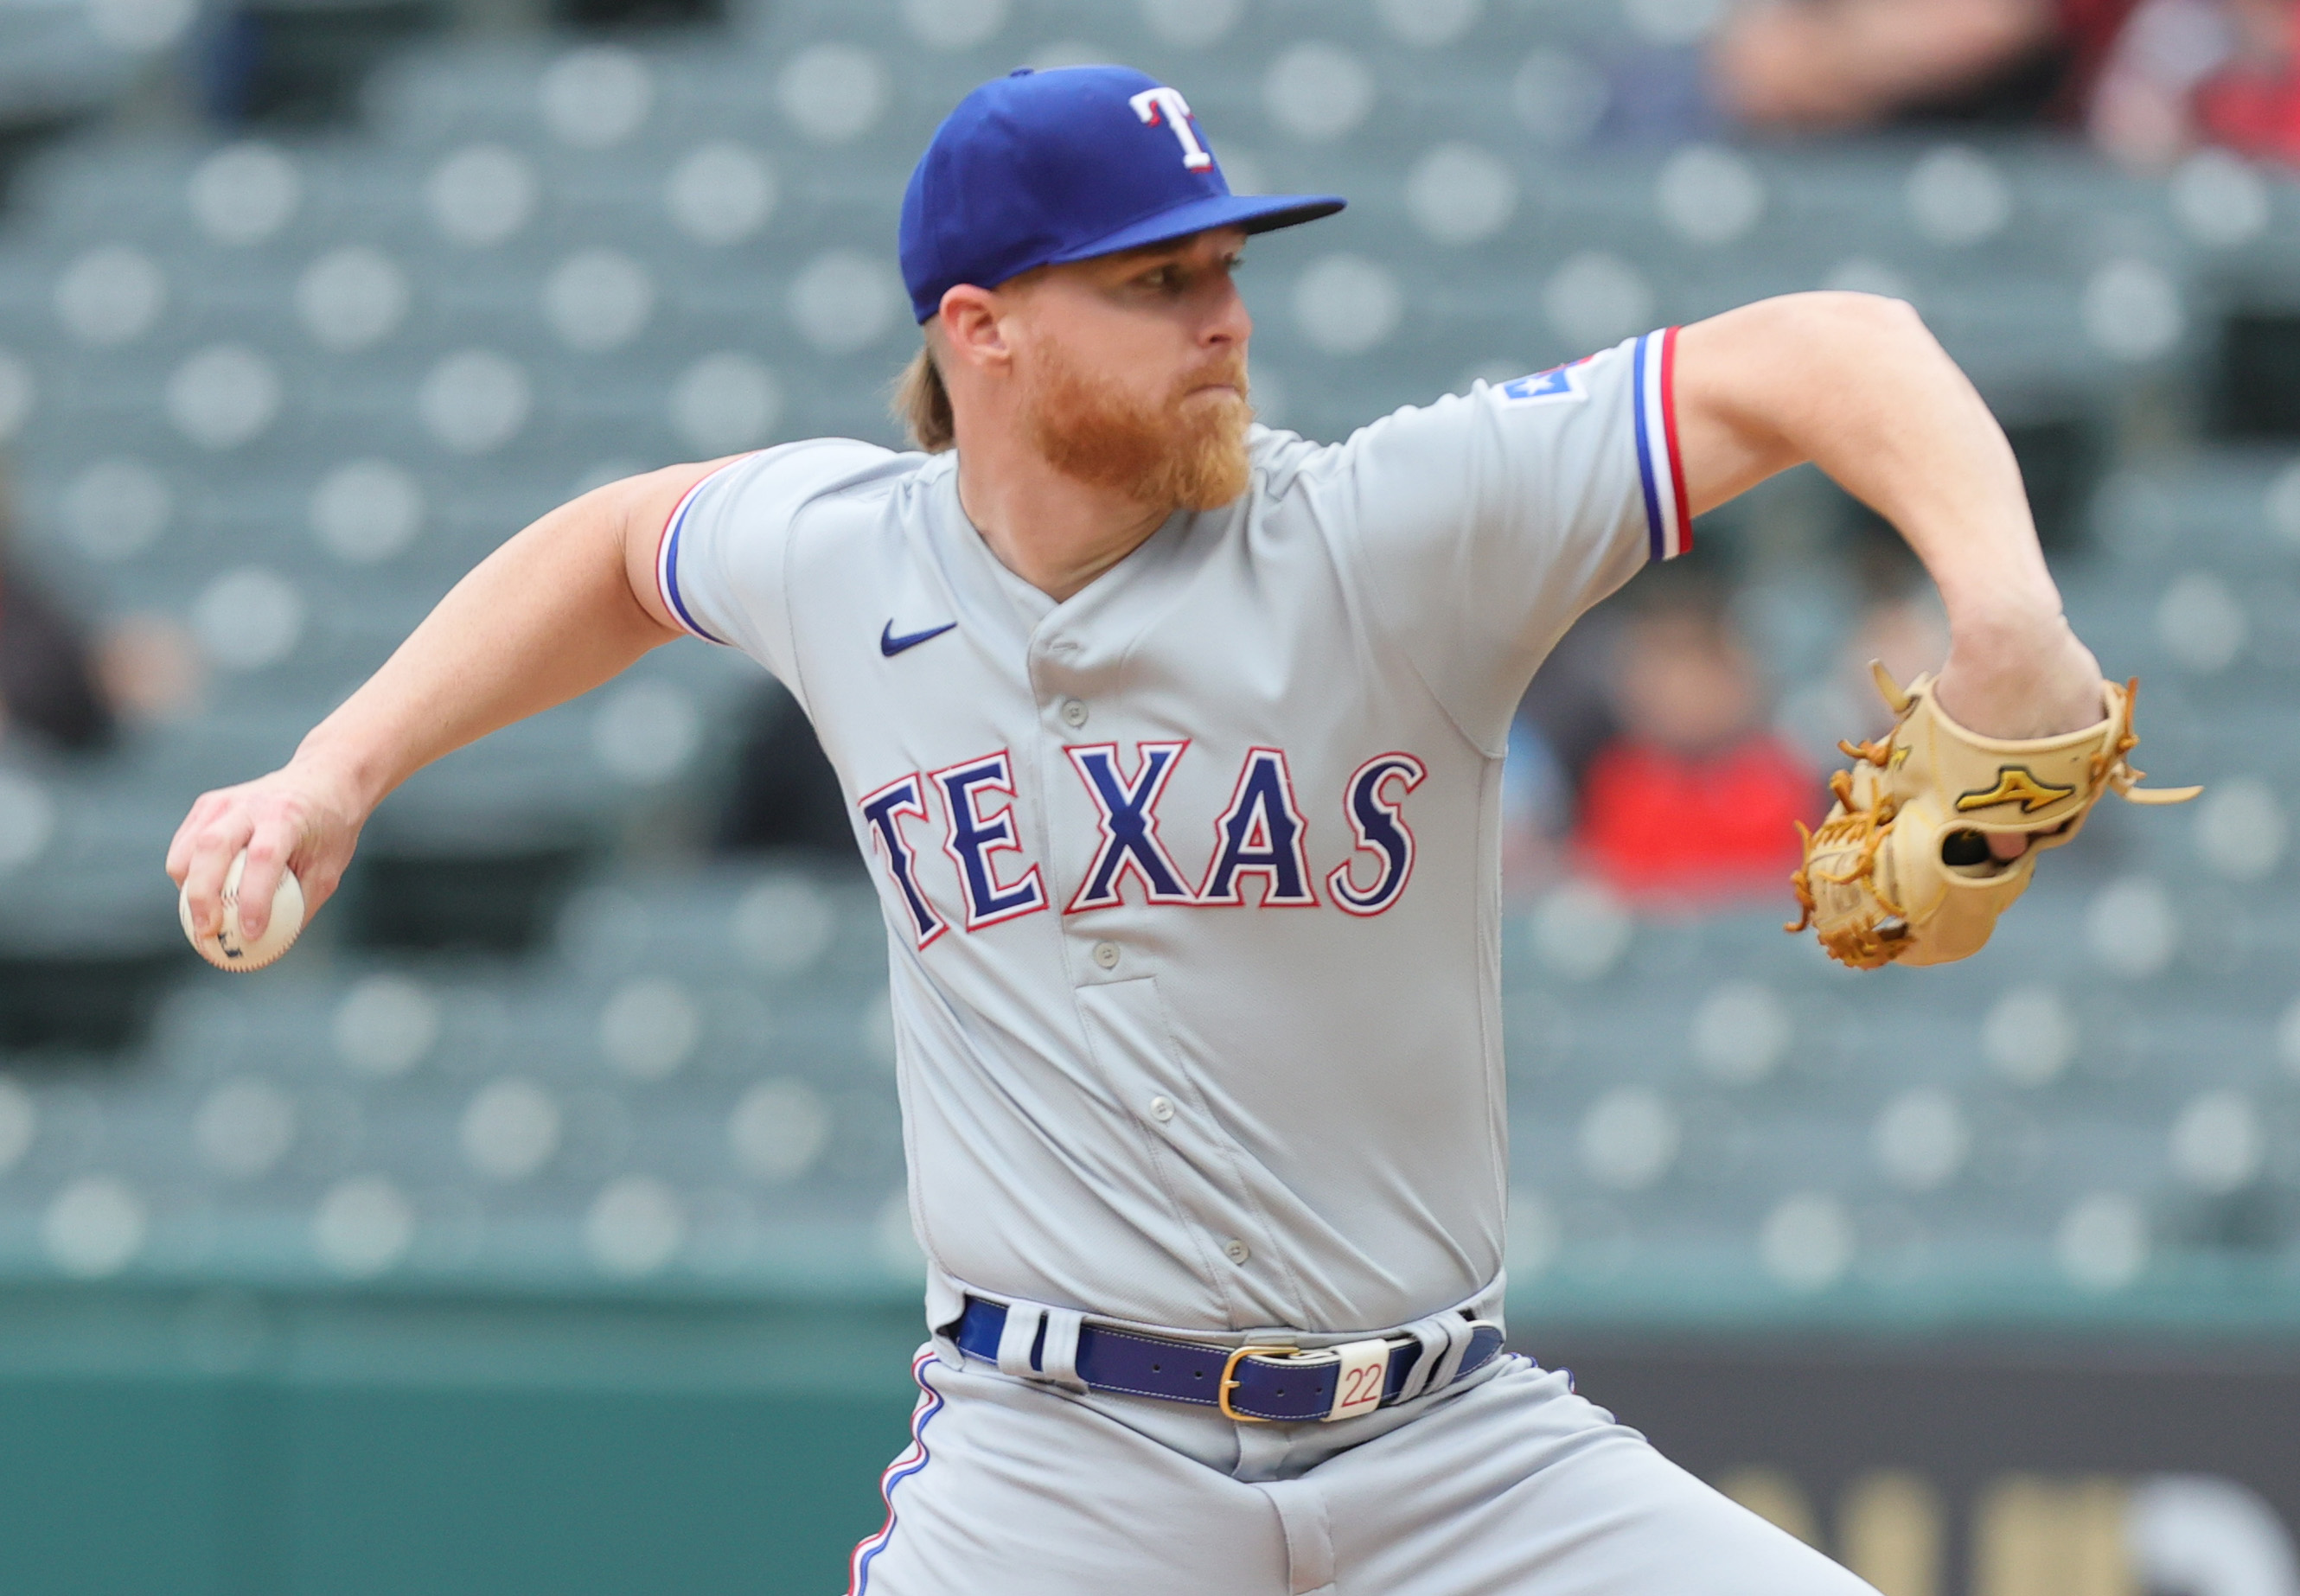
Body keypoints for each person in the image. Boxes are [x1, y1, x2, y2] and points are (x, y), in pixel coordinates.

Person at [169, 65, 2108, 1595]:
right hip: (1056, 1460)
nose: (1225, 318)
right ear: (983, 329)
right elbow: (611, 544)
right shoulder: (846, 552)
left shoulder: (1390, 531)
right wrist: (333, 769)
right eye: (1156, 278)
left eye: (1229, 266)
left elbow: (1830, 347)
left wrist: (2004, 621)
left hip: (1448, 1447)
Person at [1570, 579, 1818, 906]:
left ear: (1732, 679)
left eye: (1692, 672)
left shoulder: (1777, 780)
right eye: (1656, 673)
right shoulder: (1617, 780)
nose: (1674, 694)